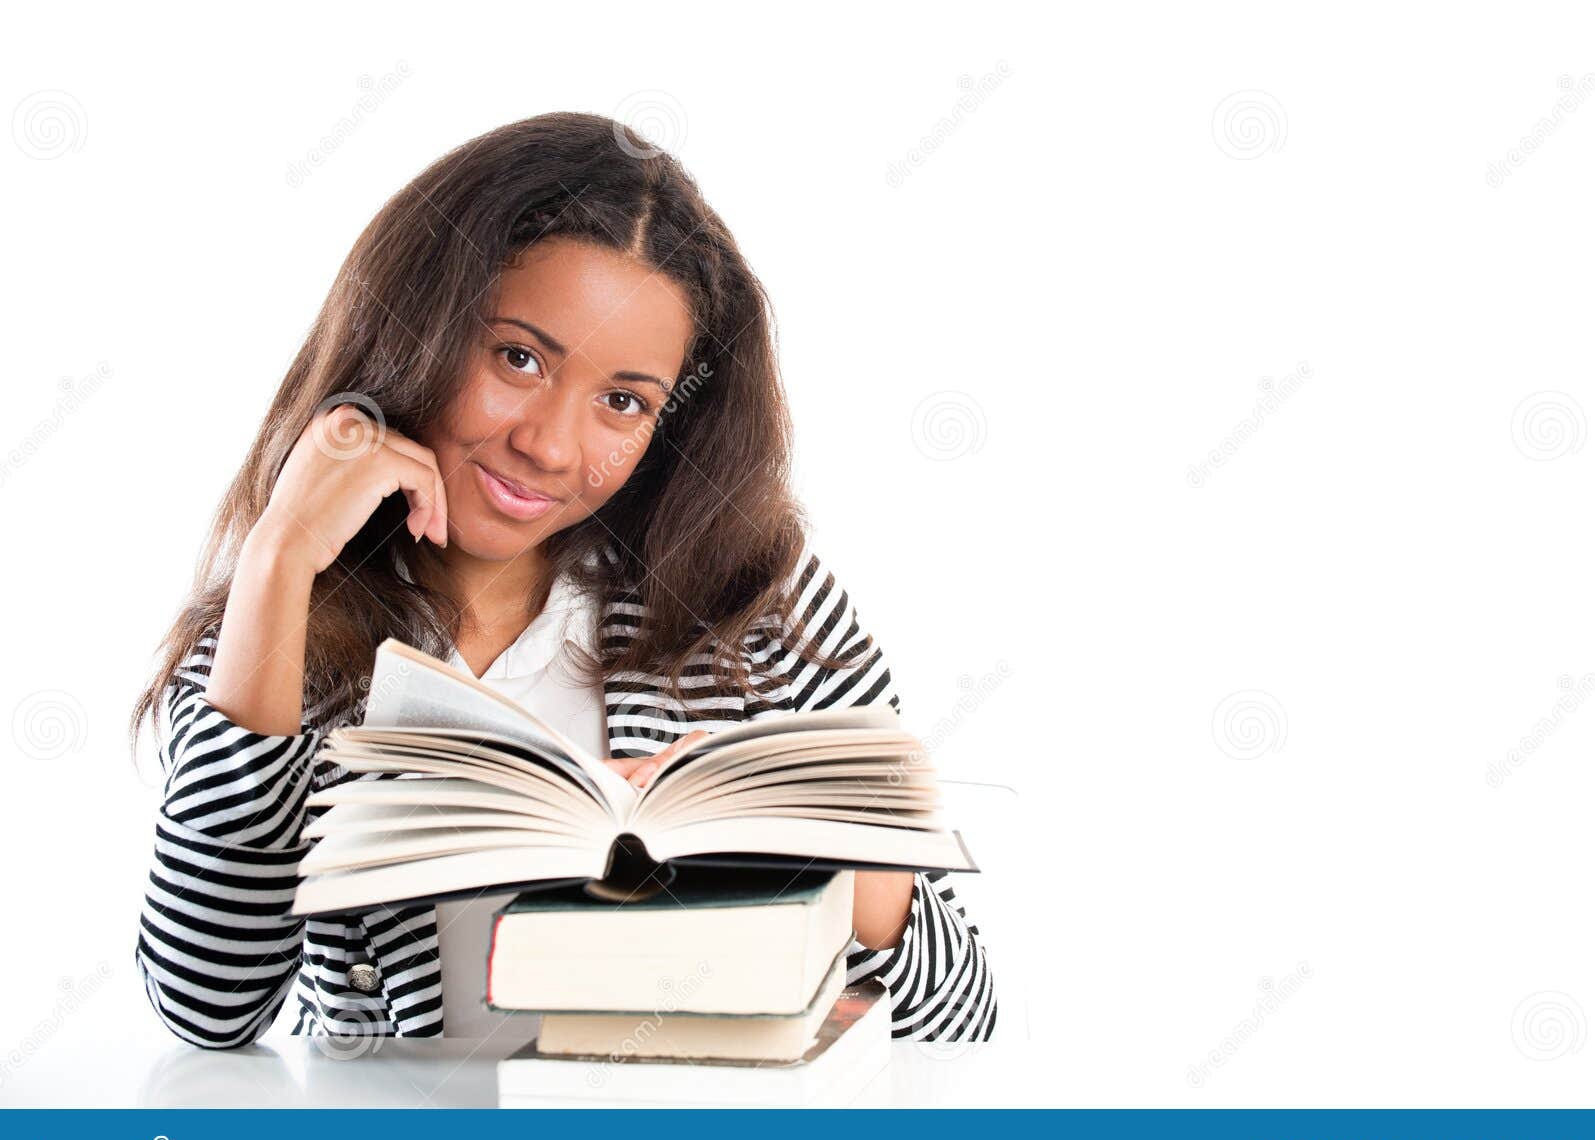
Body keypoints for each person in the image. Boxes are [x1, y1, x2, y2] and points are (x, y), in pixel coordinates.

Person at [131, 112, 996, 1049]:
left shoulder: (764, 605)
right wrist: (279, 555)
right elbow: (207, 1005)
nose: (548, 444)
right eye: (517, 358)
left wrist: (840, 875)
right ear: (418, 329)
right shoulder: (281, 614)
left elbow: (965, 1021)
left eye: (622, 402)